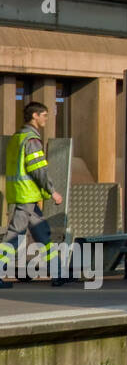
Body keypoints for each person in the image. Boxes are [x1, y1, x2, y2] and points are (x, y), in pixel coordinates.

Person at [1, 102, 66, 287]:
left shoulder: (17, 137)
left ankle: (58, 272)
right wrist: (52, 191)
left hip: (20, 193)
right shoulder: (31, 140)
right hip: (26, 194)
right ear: (35, 116)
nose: (46, 118)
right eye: (44, 115)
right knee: (14, 236)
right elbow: (38, 170)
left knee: (42, 234)